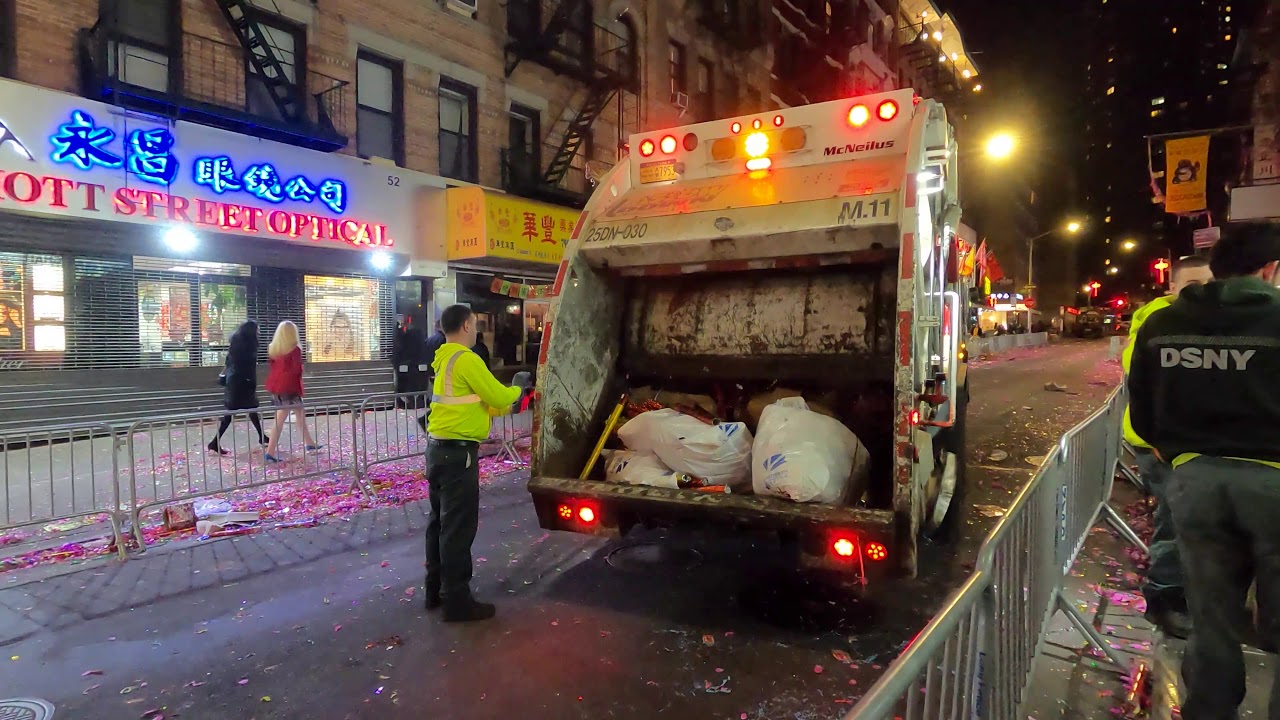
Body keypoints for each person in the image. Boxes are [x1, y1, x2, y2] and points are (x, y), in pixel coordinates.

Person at [1129, 223, 1280, 719]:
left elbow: (1143, 410)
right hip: (1273, 482)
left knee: (1212, 614)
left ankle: (1210, 709)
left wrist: (1179, 456)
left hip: (1194, 482)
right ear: (1270, 270)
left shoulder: (1164, 323)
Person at [1121, 255, 1213, 638]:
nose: (1199, 293)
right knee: (1175, 521)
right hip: (1162, 445)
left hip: (1204, 444)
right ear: (1171, 287)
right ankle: (1166, 596)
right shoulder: (1156, 321)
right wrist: (1160, 439)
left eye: (1208, 284)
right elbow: (1142, 381)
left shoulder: (1219, 319)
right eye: (1191, 285)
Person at [424, 304, 522, 622]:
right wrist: (520, 388)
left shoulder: (444, 359)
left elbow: (476, 404)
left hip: (438, 450)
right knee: (457, 529)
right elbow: (496, 395)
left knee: (439, 524)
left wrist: (508, 407)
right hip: (458, 455)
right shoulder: (467, 358)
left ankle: (435, 592)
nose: (477, 330)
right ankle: (458, 602)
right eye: (475, 324)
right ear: (466, 325)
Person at [263, 321, 322, 463]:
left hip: (276, 386)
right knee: (283, 418)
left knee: (298, 414)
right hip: (290, 387)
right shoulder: (294, 349)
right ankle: (270, 451)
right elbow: (296, 370)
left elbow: (273, 367)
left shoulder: (273, 348)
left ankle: (309, 443)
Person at [208, 321, 268, 454]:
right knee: (236, 413)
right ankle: (214, 442)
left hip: (234, 383)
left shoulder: (236, 344)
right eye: (257, 330)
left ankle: (262, 436)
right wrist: (251, 382)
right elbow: (248, 368)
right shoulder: (249, 347)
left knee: (244, 411)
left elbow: (228, 362)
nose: (259, 332)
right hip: (243, 384)